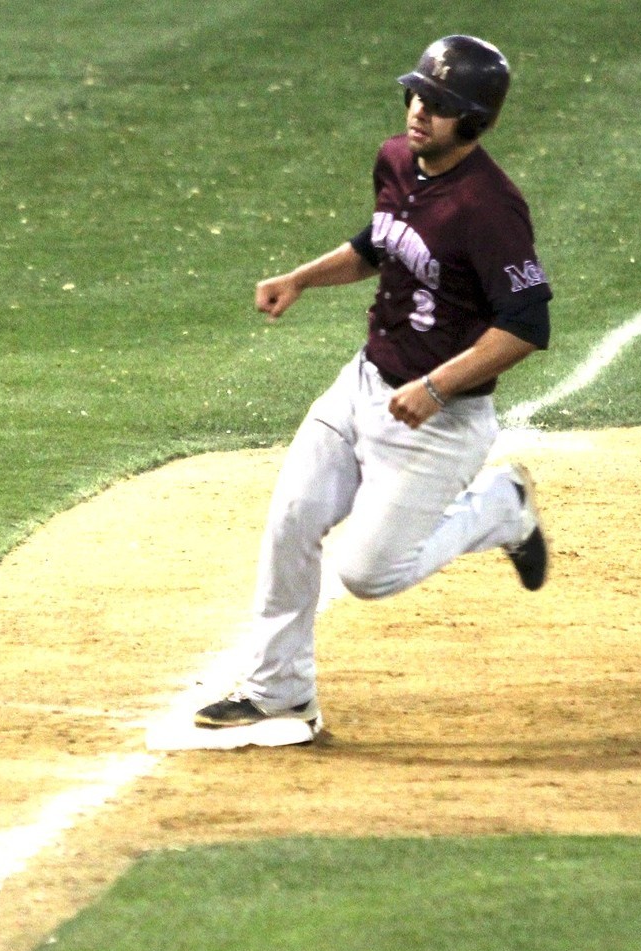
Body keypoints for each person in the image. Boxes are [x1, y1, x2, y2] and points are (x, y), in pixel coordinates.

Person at [194, 35, 552, 743]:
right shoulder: (395, 159)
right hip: (360, 386)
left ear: (474, 121)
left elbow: (527, 324)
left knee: (367, 574)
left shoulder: (490, 208)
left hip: (436, 423)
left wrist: (438, 388)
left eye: (441, 104)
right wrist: (299, 278)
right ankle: (279, 692)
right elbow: (375, 245)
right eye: (417, 94)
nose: (420, 110)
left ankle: (502, 508)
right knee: (292, 519)